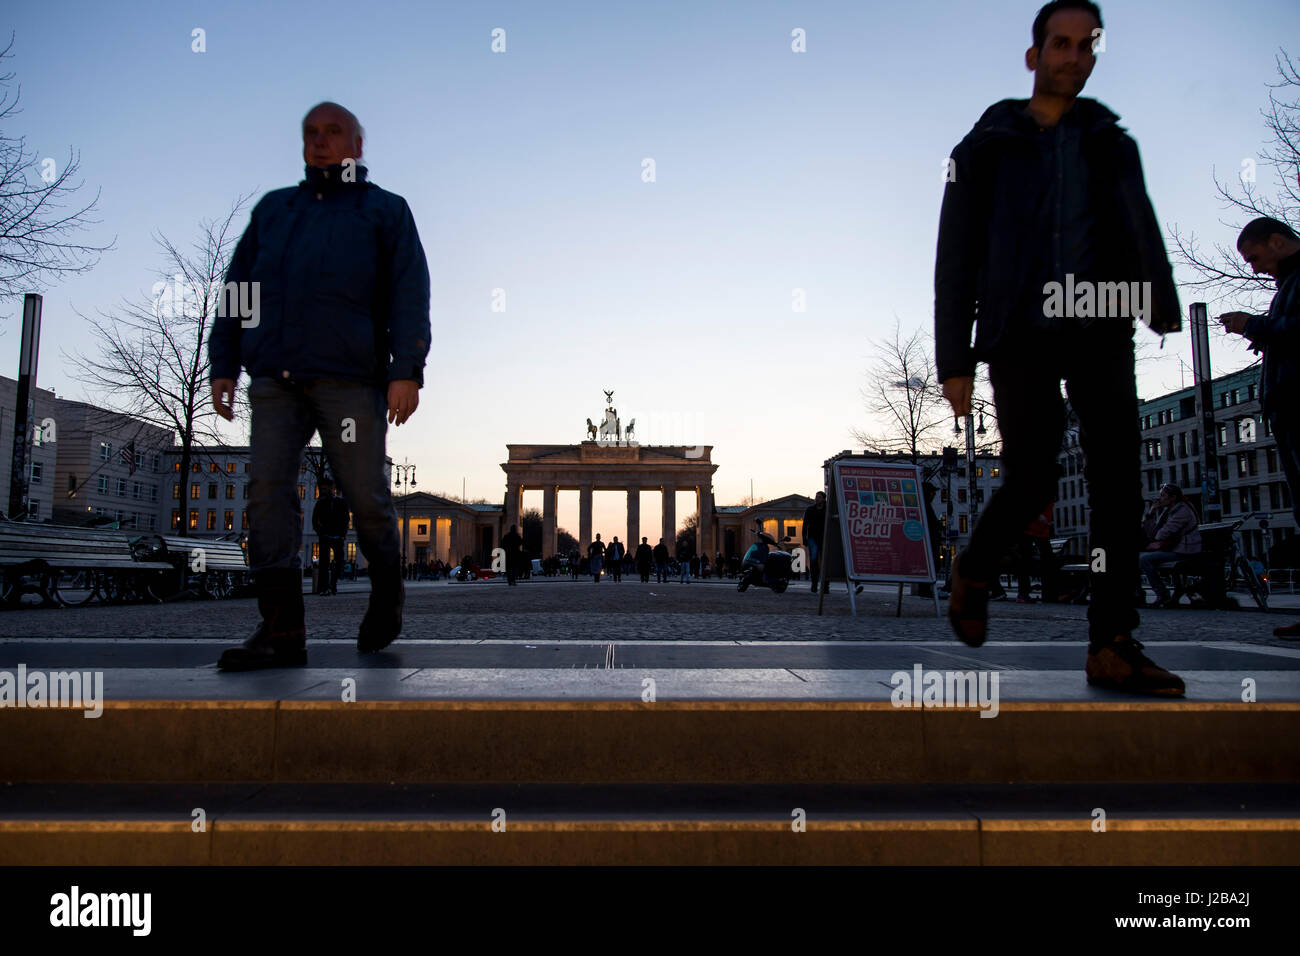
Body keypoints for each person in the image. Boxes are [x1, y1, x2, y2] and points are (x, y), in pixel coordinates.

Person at [934, 1, 1184, 695]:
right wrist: (954, 358)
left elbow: (1143, 220)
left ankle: (1111, 638)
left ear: (1095, 54)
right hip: (1019, 327)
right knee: (1034, 477)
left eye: (1086, 45)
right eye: (1060, 44)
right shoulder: (982, 147)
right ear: (1034, 55)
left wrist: (1158, 298)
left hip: (1102, 319)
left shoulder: (1111, 140)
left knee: (1116, 479)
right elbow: (955, 254)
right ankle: (975, 566)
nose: (1073, 56)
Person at [209, 102, 429, 670]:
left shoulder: (385, 211)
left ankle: (387, 592)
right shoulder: (275, 210)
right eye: (311, 133)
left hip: (351, 378)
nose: (321, 142)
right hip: (275, 379)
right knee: (265, 495)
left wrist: (406, 368)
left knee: (366, 497)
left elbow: (409, 291)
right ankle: (281, 628)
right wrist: (224, 361)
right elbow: (239, 286)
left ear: (358, 142)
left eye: (333, 132)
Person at [1221, 217, 1300, 638]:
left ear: (1276, 241)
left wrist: (1254, 325)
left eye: (1254, 257)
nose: (1253, 268)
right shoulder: (1288, 284)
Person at [1137, 485, 1201, 608]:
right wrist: (1151, 513)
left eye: (1163, 495)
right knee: (1139, 557)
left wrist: (1156, 538)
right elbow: (1152, 533)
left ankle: (1162, 593)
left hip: (1184, 551)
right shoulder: (1169, 511)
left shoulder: (1182, 511)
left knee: (1144, 559)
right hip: (1176, 549)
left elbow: (1160, 534)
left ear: (1173, 497)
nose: (1160, 499)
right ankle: (1139, 593)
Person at [311, 478, 349, 595]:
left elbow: (346, 519)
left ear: (332, 488)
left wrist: (342, 534)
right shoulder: (320, 503)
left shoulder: (341, 502)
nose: (324, 491)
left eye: (326, 488)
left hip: (337, 536)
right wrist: (320, 532)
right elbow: (314, 520)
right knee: (324, 563)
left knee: (338, 563)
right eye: (322, 489)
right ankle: (324, 587)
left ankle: (333, 584)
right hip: (325, 536)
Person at [1016, 503, 1060, 602]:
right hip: (1029, 528)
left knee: (1047, 560)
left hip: (1041, 530)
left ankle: (1048, 594)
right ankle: (1023, 593)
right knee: (1026, 560)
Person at [802, 491, 827, 592]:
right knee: (813, 559)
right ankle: (814, 583)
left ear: (824, 499)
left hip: (825, 537)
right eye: (816, 497)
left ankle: (825, 585)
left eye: (819, 497)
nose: (817, 499)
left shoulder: (827, 509)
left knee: (825, 561)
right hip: (813, 537)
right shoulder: (810, 510)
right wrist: (804, 537)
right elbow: (805, 524)